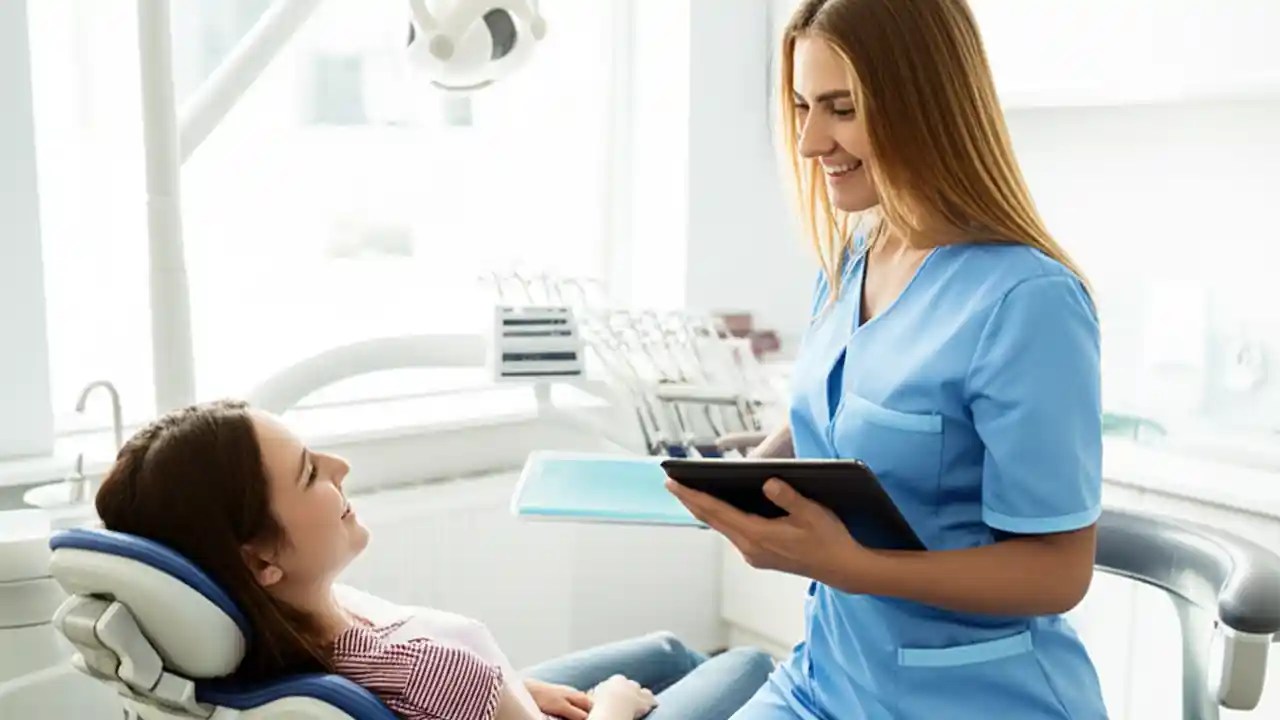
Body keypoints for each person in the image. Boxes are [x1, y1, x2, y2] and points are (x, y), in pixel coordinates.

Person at [665, 1, 1109, 718]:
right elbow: (850, 408)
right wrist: (764, 460)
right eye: (803, 106)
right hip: (826, 681)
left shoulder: (1028, 301)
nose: (810, 141)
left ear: (926, 105)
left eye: (841, 108)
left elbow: (1059, 573)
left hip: (972, 699)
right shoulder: (852, 257)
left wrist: (853, 568)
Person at [95, 400, 773, 720]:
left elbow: (445, 696)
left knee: (669, 650)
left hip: (499, 702)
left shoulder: (294, 630)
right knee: (747, 665)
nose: (340, 467)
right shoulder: (420, 669)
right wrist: (615, 710)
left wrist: (510, 688)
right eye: (309, 474)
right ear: (261, 558)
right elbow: (438, 684)